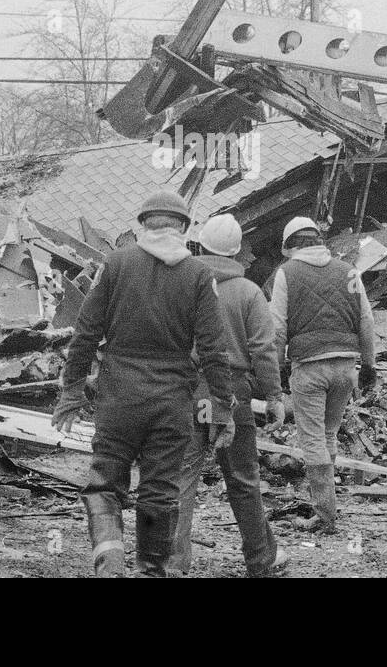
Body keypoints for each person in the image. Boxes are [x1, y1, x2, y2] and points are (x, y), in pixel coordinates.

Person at [52, 191, 236, 577]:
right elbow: (214, 350)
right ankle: (150, 571)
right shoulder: (199, 275)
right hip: (171, 402)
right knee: (160, 491)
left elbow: (85, 334)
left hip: (118, 397)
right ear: (184, 228)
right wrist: (222, 406)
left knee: (105, 484)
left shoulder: (116, 263)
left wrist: (71, 391)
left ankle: (110, 560)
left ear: (142, 224)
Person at [168, 214, 289, 577]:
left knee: (179, 481)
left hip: (185, 391)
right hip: (232, 395)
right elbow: (264, 351)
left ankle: (172, 564)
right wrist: (274, 397)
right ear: (237, 252)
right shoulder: (249, 292)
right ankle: (261, 560)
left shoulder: (179, 286)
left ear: (200, 245)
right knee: (243, 482)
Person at [269, 216, 376, 533]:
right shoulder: (349, 271)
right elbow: (366, 321)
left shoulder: (286, 273)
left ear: (289, 247)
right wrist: (369, 366)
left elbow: (277, 329)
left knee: (313, 439)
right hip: (346, 368)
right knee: (328, 435)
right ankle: (326, 504)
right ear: (319, 241)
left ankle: (326, 515)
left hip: (310, 368)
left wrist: (274, 372)